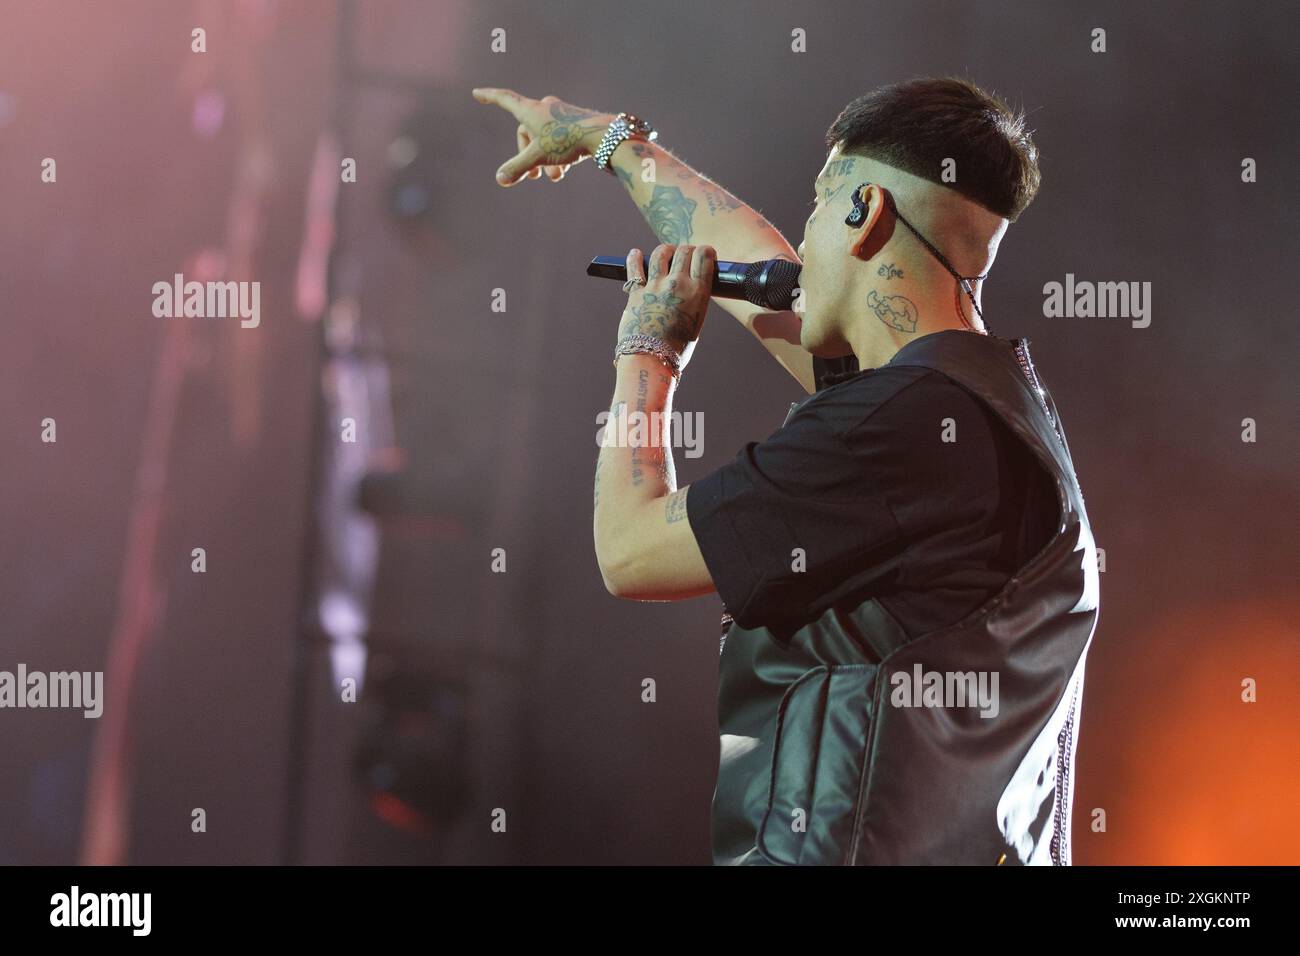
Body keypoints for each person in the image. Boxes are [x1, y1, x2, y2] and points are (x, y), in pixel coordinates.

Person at [473, 77, 1099, 865]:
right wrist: (610, 143)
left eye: (816, 202)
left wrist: (647, 353)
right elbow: (755, 264)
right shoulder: (978, 407)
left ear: (862, 212)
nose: (800, 245)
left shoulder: (899, 431)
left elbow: (628, 552)